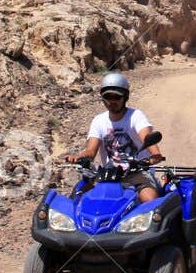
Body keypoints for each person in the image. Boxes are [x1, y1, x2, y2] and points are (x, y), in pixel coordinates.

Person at [65, 72, 163, 201]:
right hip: (109, 174)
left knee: (149, 198)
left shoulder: (136, 116)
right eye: (108, 97)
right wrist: (80, 156)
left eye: (116, 97)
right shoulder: (98, 120)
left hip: (138, 172)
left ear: (125, 97)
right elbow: (91, 150)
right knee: (79, 197)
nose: (112, 101)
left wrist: (155, 155)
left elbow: (147, 138)